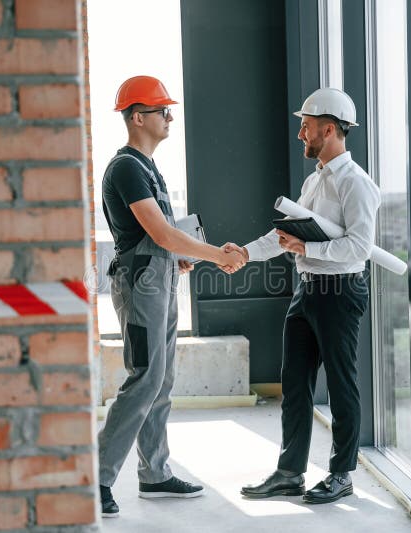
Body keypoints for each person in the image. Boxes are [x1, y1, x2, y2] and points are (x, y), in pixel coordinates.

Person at [98, 75, 246, 517]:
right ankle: (97, 479)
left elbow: (162, 237)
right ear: (137, 116)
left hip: (159, 280)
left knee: (160, 381)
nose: (170, 117)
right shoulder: (125, 168)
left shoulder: (148, 168)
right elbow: (160, 232)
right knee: (144, 379)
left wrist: (181, 257)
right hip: (142, 283)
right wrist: (216, 256)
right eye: (162, 110)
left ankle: (155, 473)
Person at [229, 88, 381, 504]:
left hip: (340, 292)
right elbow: (285, 236)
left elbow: (359, 248)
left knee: (341, 385)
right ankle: (290, 473)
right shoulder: (314, 180)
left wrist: (307, 249)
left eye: (307, 126)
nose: (301, 134)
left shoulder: (357, 184)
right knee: (294, 384)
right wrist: (245, 253)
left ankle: (342, 474)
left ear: (329, 129)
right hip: (307, 290)